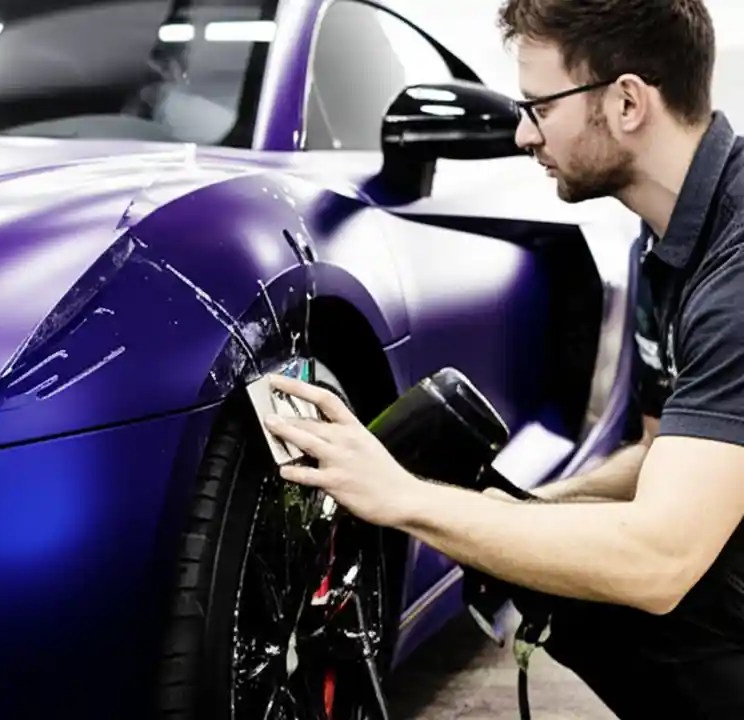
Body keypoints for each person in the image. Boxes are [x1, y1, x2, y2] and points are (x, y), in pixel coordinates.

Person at [263, 0, 744, 717]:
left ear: (626, 102)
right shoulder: (666, 243)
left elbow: (660, 560)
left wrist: (406, 499)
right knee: (537, 566)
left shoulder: (735, 271)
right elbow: (656, 453)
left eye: (539, 106)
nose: (523, 133)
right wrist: (517, 516)